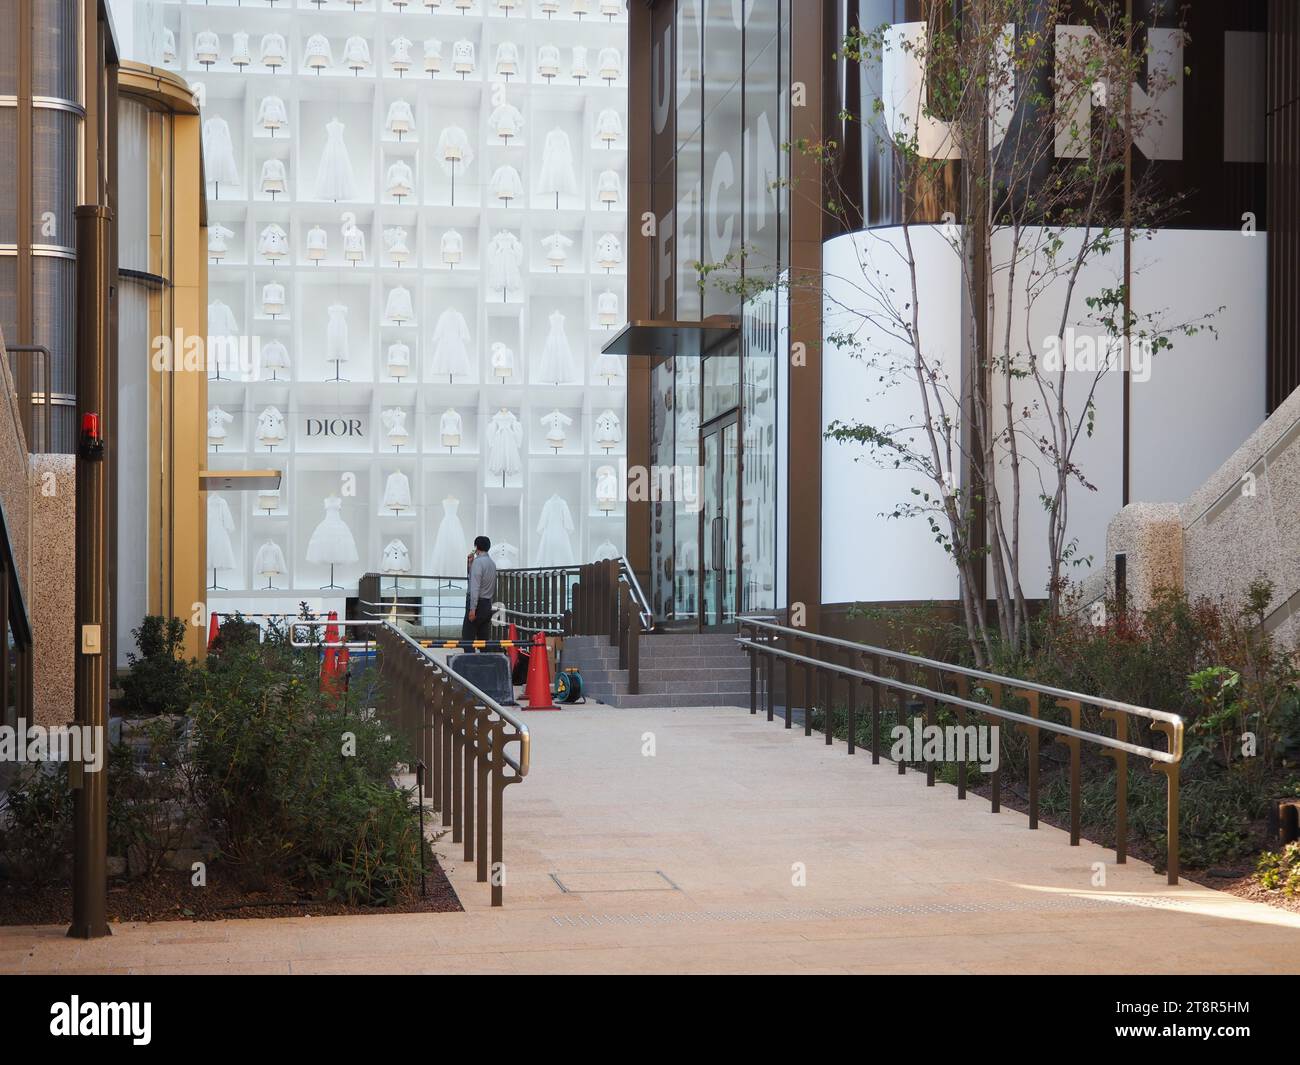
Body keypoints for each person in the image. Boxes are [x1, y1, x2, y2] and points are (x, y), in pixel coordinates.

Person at [462, 535, 497, 646]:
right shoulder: (492, 563)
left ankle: (470, 661)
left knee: (468, 636)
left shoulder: (478, 562)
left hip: (477, 604)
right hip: (487, 603)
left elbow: (475, 587)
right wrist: (470, 564)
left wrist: (472, 609)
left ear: (476, 547)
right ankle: (486, 660)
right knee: (483, 638)